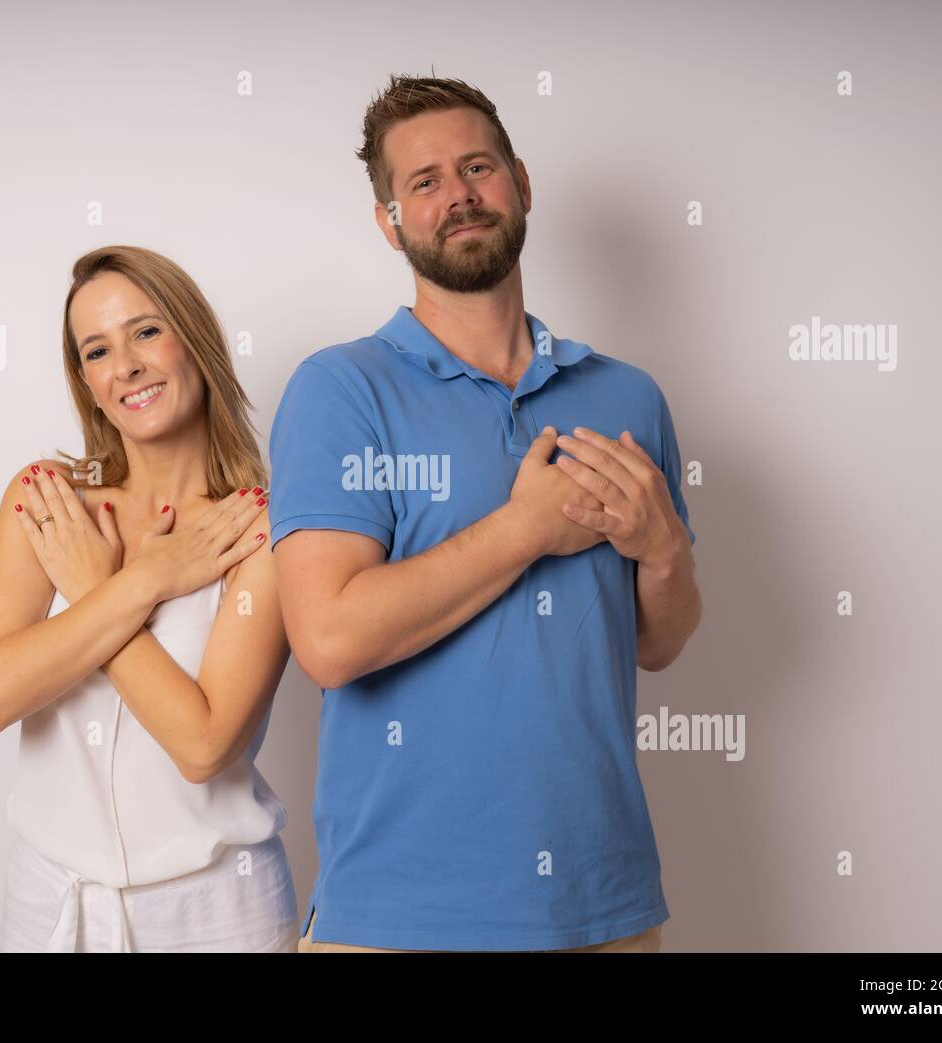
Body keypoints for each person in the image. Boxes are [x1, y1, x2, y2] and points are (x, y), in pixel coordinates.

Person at [268, 75, 702, 953]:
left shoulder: (627, 395)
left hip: (604, 907)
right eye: (423, 182)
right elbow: (329, 638)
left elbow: (659, 640)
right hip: (398, 920)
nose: (458, 194)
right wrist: (527, 527)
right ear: (390, 221)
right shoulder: (341, 389)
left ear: (522, 183)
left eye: (477, 166)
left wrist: (661, 552)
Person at [0, 245, 297, 951]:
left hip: (220, 915)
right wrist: (144, 582)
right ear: (85, 380)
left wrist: (91, 591)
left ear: (194, 339)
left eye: (146, 331)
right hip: (51, 905)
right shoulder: (48, 500)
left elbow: (204, 744)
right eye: (97, 350)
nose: (127, 367)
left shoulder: (257, 524)